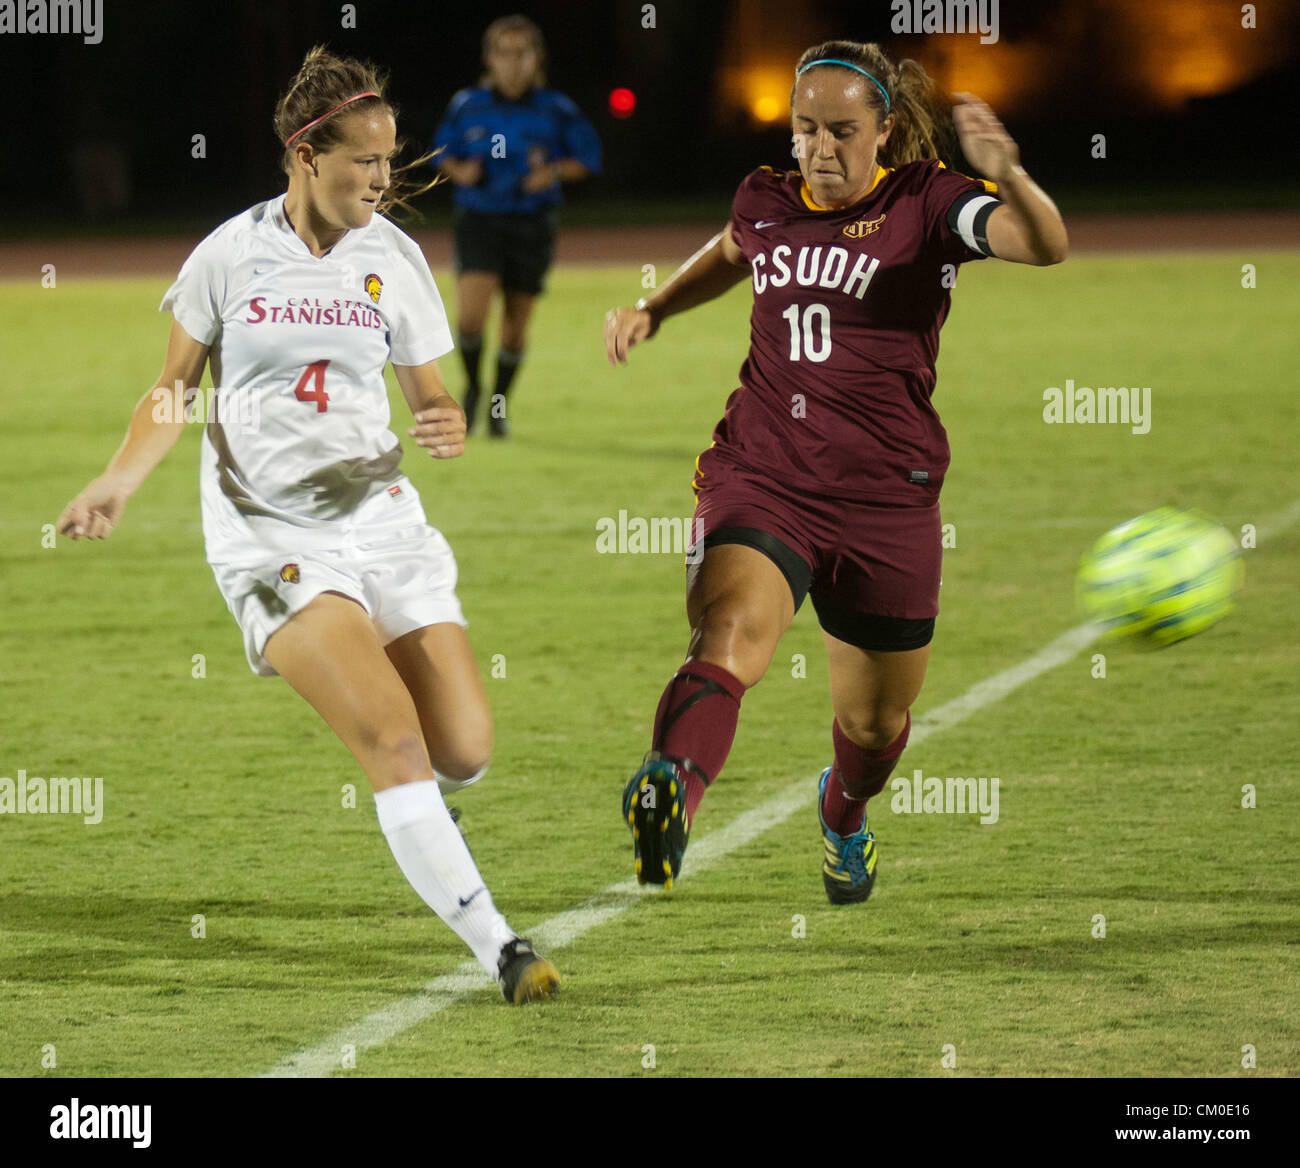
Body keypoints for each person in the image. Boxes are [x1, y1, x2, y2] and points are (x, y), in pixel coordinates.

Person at [56, 46, 561, 1003]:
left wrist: (445, 417)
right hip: (270, 537)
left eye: (391, 159)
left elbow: (426, 391)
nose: (384, 178)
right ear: (304, 154)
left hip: (384, 523)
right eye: (364, 161)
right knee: (393, 741)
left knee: (462, 748)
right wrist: (118, 481)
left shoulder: (396, 256)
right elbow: (174, 389)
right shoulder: (229, 254)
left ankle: (426, 825)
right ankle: (500, 944)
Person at [603, 40, 1067, 901]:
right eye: (805, 128)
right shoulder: (767, 198)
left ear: (885, 128)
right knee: (730, 629)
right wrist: (656, 308)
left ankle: (843, 814)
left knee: (875, 725)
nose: (819, 149)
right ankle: (672, 786)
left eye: (842, 131)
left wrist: (1012, 175)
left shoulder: (926, 202)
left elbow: (1043, 245)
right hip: (764, 472)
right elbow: (735, 247)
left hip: (888, 494)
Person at [434, 14, 601, 437]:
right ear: (489, 58)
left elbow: (588, 159)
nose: (512, 62)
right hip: (479, 219)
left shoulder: (556, 109)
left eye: (520, 52)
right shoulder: (467, 104)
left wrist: (555, 171)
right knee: (470, 318)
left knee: (514, 329)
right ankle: (474, 387)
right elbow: (442, 153)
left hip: (531, 224)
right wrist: (459, 170)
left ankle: (498, 405)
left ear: (536, 58)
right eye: (503, 53)